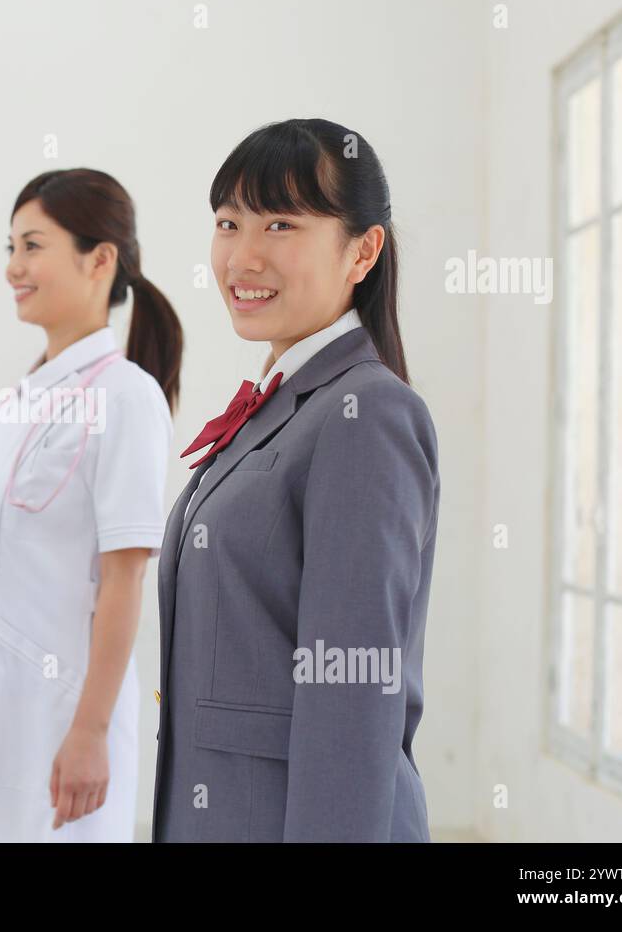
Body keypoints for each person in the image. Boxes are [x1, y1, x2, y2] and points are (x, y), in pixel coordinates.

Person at [152, 119, 440, 842]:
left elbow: (351, 690)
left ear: (362, 250)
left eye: (281, 223)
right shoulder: (286, 405)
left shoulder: (364, 412)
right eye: (228, 223)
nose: (243, 256)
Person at [0, 169, 182, 842]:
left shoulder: (125, 397)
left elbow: (124, 577)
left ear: (100, 259)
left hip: (55, 738)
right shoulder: (17, 400)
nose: (13, 268)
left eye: (33, 246)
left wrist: (90, 732)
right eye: (9, 248)